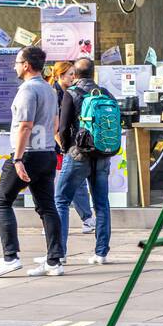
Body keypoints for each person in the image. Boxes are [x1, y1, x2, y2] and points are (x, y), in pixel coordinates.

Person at [0, 45, 62, 278]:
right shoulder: (49, 90)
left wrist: (17, 158)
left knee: (1, 201)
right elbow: (55, 124)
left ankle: (10, 257)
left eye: (17, 62)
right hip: (47, 152)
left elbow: (25, 126)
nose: (14, 66)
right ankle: (54, 262)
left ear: (26, 65)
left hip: (27, 153)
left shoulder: (27, 91)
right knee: (47, 206)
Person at [55, 57, 115, 266]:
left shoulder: (71, 93)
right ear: (93, 73)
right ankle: (101, 253)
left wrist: (65, 148)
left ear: (76, 75)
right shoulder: (105, 93)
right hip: (102, 155)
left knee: (61, 200)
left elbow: (63, 128)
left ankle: (59, 253)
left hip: (78, 154)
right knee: (101, 203)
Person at [51, 60, 95, 238]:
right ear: (61, 76)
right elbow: (56, 125)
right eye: (69, 74)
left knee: (75, 183)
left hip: (67, 145)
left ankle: (87, 218)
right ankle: (86, 218)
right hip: (61, 145)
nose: (72, 77)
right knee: (68, 187)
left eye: (73, 73)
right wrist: (63, 145)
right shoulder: (56, 93)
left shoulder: (69, 92)